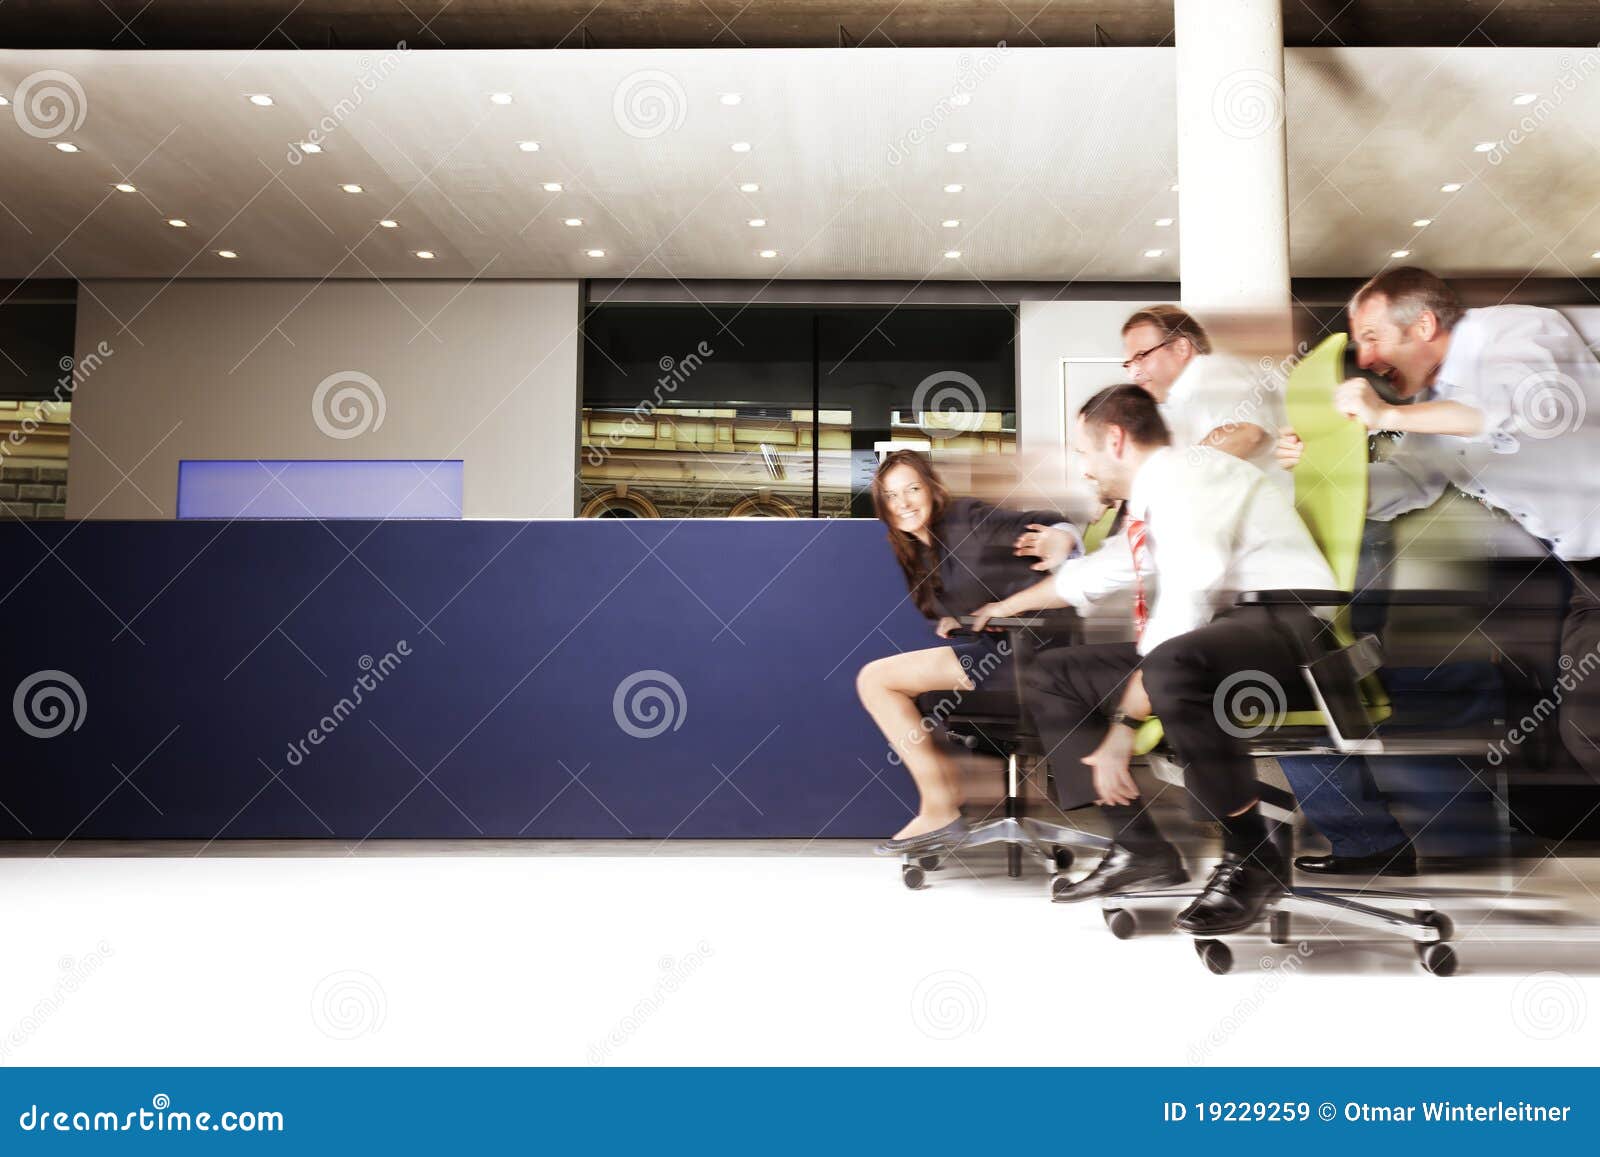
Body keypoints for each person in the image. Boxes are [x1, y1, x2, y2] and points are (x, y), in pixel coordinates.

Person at [968, 386, 1339, 934]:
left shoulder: (1191, 479)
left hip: (1290, 633)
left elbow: (1184, 608)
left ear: (1115, 440)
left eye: (1084, 452)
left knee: (1169, 665)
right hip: (1218, 641)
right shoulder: (1153, 501)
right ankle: (1139, 847)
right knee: (1054, 674)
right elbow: (1098, 574)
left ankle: (1252, 855)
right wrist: (1006, 604)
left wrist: (1123, 729)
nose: (1084, 469)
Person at [1275, 267, 1600, 872]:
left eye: (1372, 337)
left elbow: (1523, 410)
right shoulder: (1430, 407)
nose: (1365, 358)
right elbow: (1404, 487)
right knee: (1587, 728)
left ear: (1423, 323)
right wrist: (1320, 462)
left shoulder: (1515, 334)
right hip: (1585, 567)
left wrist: (1385, 417)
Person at [856, 449, 1077, 855]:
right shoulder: (917, 548)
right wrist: (959, 618)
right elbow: (968, 590)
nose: (903, 502)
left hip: (1034, 659)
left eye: (912, 489)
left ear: (931, 489)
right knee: (897, 686)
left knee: (876, 679)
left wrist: (1061, 536)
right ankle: (944, 799)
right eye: (891, 495)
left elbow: (1050, 523)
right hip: (1001, 650)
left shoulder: (966, 518)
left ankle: (940, 806)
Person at [1120, 304, 1288, 488]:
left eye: (1141, 356)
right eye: (1128, 364)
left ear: (1182, 348)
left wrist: (1171, 480)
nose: (1133, 373)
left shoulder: (1211, 370)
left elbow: (1248, 433)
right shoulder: (1176, 400)